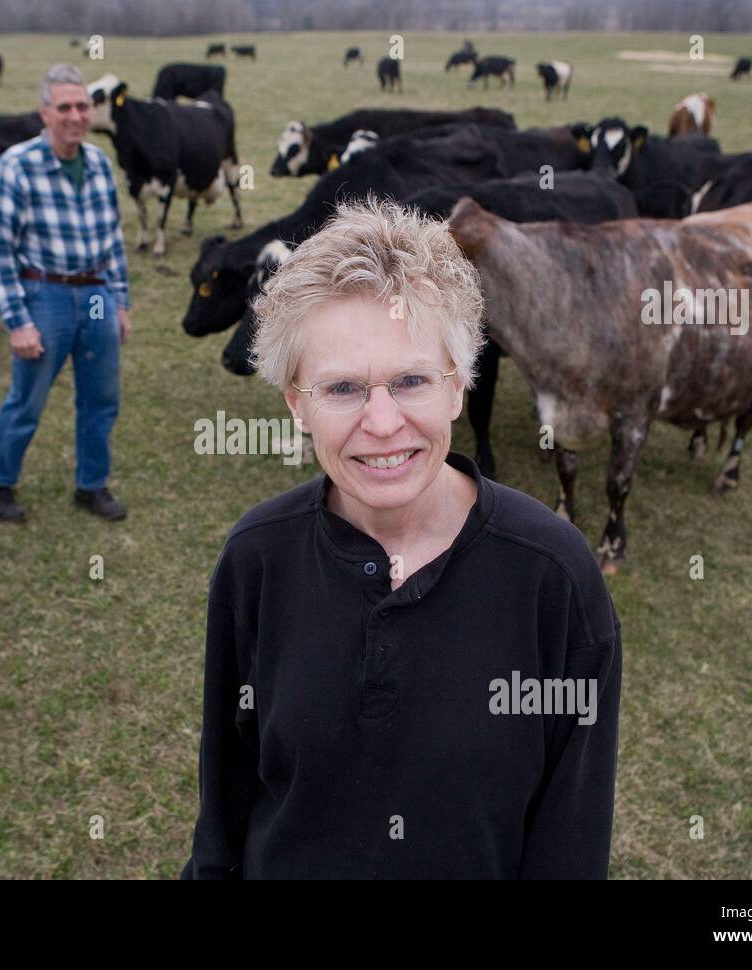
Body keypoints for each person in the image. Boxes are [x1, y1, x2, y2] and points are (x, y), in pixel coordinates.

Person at [180, 196, 623, 879]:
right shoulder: (256, 558)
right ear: (297, 403)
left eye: (412, 380)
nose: (382, 423)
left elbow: (571, 841)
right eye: (343, 388)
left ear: (458, 386)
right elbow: (226, 806)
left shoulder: (554, 579)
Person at [0, 64, 133, 523]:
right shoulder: (17, 165)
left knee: (101, 397)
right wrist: (17, 320)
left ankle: (91, 485)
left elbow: (114, 239)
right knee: (28, 397)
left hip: (97, 293)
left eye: (82, 106)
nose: (75, 116)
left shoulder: (101, 164)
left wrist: (120, 302)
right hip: (43, 294)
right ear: (44, 113)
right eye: (63, 107)